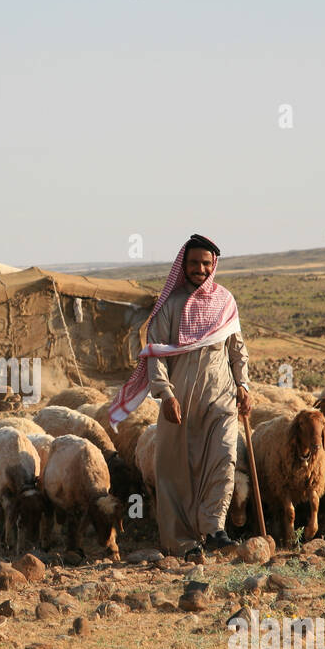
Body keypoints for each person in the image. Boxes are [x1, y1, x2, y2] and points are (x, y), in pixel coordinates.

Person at [110, 234, 252, 560]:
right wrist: (165, 394)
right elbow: (155, 354)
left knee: (225, 458)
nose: (199, 269)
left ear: (213, 265)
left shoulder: (226, 302)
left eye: (206, 263)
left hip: (221, 394)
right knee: (178, 470)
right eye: (193, 263)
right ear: (183, 265)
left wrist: (243, 386)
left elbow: (237, 350)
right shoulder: (170, 306)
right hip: (181, 397)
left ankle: (215, 528)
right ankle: (183, 541)